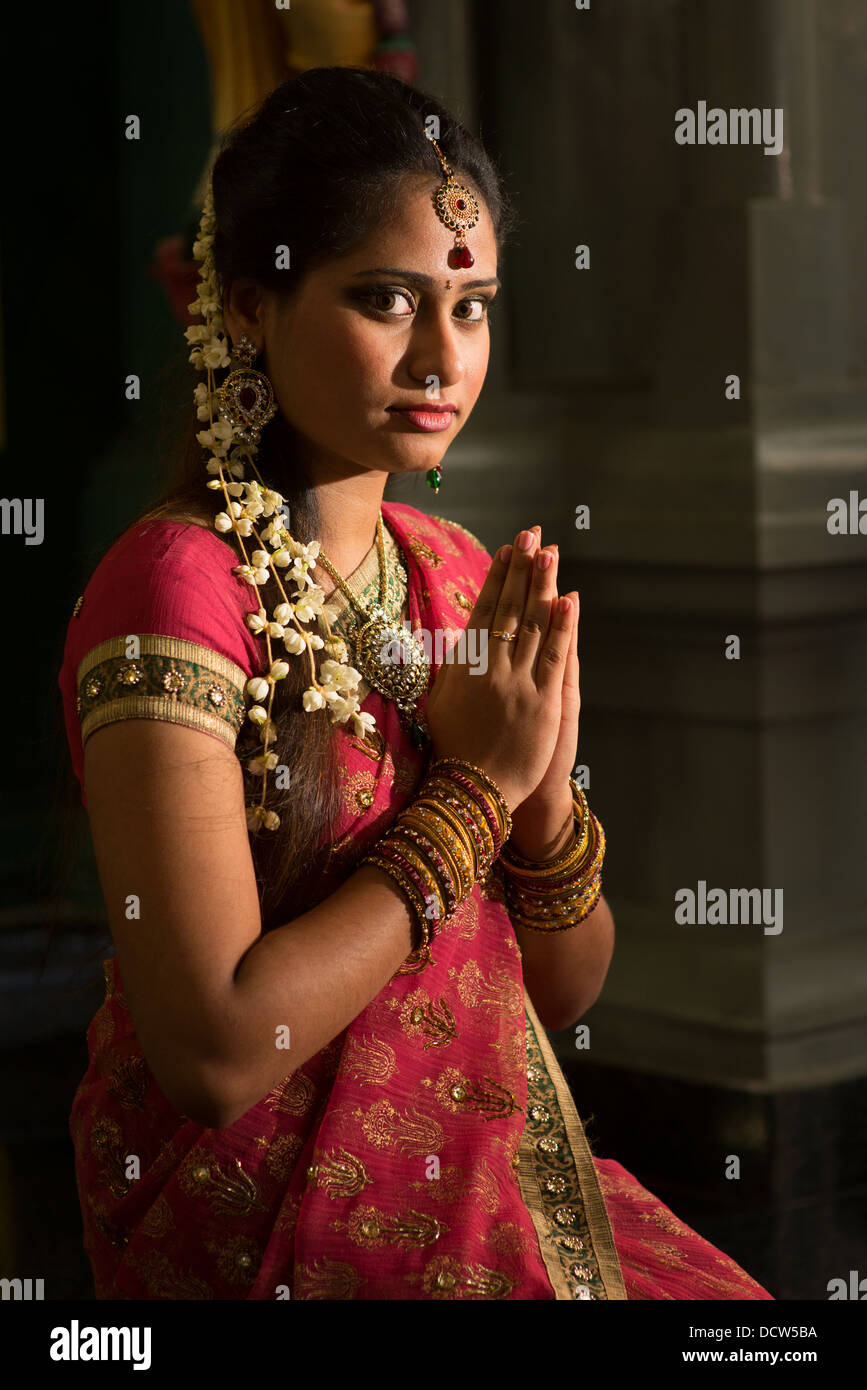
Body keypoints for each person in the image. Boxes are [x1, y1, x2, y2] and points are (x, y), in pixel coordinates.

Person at [58, 66, 774, 1301]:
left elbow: (563, 985)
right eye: (386, 300)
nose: (443, 355)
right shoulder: (175, 588)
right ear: (249, 309)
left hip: (488, 1175)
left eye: (474, 305)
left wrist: (544, 801)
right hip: (255, 1224)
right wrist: (479, 791)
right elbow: (220, 1054)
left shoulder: (453, 574)